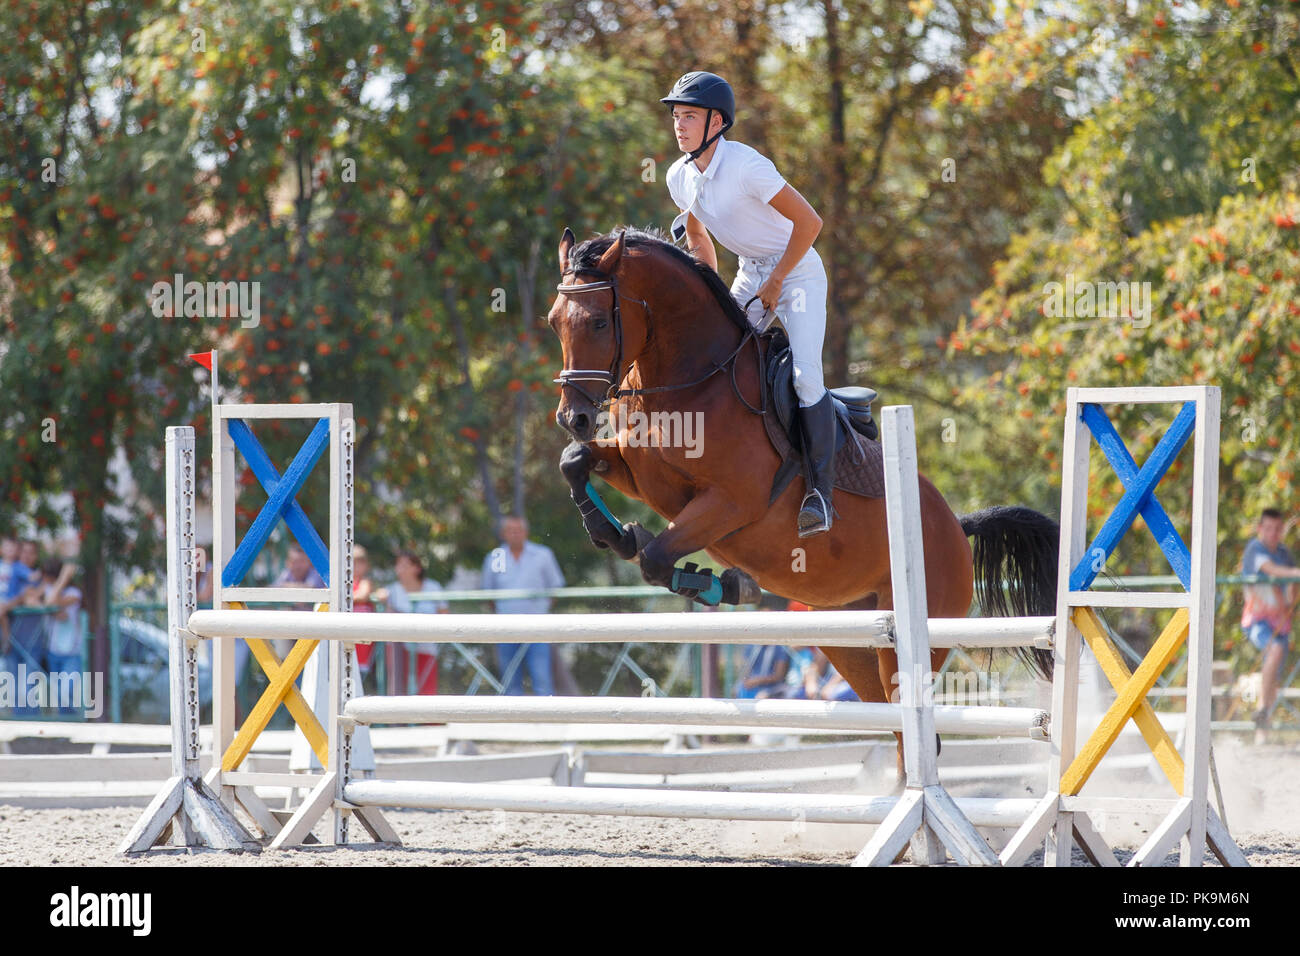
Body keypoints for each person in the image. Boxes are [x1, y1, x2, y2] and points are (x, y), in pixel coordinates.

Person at [661, 71, 836, 537]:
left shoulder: (747, 166)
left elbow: (810, 223)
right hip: (750, 271)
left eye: (690, 116)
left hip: (795, 270)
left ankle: (821, 494)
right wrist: (708, 293)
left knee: (805, 375)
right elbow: (696, 236)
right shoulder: (679, 176)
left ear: (716, 121)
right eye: (676, 116)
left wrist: (778, 279)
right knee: (714, 358)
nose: (679, 126)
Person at [481, 515, 565, 696]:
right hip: (506, 629)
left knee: (541, 677)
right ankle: (514, 722)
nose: (515, 534)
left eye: (518, 530)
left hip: (538, 628)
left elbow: (555, 589)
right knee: (510, 680)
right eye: (510, 530)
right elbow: (488, 594)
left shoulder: (543, 554)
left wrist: (539, 609)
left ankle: (546, 719)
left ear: (526, 532)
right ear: (503, 534)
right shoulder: (495, 557)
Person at [1240, 508, 1300, 731]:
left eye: (1277, 529)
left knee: (1273, 675)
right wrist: (1295, 574)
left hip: (1281, 623)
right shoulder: (1254, 549)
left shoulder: (1285, 552)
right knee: (1274, 651)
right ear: (1260, 529)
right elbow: (1271, 569)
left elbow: (1291, 587)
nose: (1273, 533)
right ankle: (1263, 711)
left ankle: (1262, 731)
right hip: (1258, 621)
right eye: (1269, 528)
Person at [384, 550, 447, 695]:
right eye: (398, 565)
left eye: (406, 565)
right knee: (400, 692)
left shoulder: (433, 587)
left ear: (417, 568)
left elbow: (444, 614)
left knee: (427, 692)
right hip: (400, 651)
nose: (400, 569)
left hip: (426, 648)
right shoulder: (391, 590)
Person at [39, 558, 83, 716]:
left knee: (67, 690)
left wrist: (64, 578)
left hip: (72, 652)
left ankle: (72, 724)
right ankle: (65, 728)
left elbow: (53, 603)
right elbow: (51, 603)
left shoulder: (74, 593)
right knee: (59, 694)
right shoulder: (48, 590)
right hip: (53, 651)